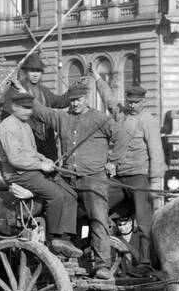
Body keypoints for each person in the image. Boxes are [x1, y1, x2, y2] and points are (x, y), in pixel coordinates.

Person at [32, 83, 127, 279]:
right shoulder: (62, 117)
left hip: (93, 179)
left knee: (98, 220)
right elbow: (40, 111)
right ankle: (64, 250)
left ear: (86, 98)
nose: (75, 104)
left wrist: (113, 162)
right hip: (68, 178)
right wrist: (21, 91)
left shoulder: (100, 119)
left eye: (79, 100)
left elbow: (122, 137)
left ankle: (102, 265)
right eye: (72, 100)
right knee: (57, 200)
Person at [0, 91, 81, 260]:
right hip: (18, 174)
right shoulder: (7, 128)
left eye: (30, 108)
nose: (28, 111)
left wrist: (44, 158)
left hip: (31, 169)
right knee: (55, 195)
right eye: (24, 108)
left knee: (70, 193)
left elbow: (31, 152)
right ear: (13, 107)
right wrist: (41, 165)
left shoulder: (25, 125)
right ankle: (54, 238)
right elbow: (16, 159)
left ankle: (66, 237)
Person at [93, 80, 166, 263]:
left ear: (144, 102)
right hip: (119, 178)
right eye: (129, 102)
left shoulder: (149, 121)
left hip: (140, 178)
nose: (132, 105)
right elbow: (109, 100)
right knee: (96, 203)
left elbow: (156, 153)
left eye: (136, 102)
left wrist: (155, 183)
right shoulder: (122, 115)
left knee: (144, 222)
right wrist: (97, 78)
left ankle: (146, 263)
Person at [0, 56, 64, 160]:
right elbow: (6, 117)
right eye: (32, 71)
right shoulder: (15, 90)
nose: (35, 74)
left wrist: (76, 89)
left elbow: (62, 101)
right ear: (26, 72)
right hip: (26, 142)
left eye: (38, 71)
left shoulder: (45, 92)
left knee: (53, 171)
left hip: (46, 141)